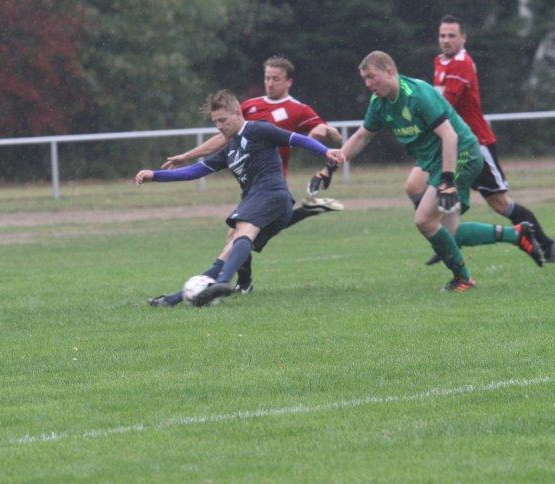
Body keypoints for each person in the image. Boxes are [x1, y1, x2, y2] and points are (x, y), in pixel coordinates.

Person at [333, 51, 544, 292]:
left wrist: (446, 180)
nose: (368, 83)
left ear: (389, 72)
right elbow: (362, 136)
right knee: (448, 232)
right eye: (365, 79)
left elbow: (450, 136)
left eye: (372, 77)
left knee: (424, 220)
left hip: (462, 154)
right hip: (436, 160)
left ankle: (463, 279)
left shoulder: (417, 94)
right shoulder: (378, 103)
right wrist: (336, 160)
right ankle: (516, 235)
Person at [137, 89, 345, 306]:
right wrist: (155, 176)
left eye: (223, 120)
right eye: (215, 122)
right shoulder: (230, 149)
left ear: (237, 113)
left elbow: (296, 139)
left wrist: (325, 151)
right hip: (270, 204)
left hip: (271, 194)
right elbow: (196, 171)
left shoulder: (258, 129)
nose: (219, 126)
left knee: (241, 234)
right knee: (230, 248)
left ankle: (223, 283)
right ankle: (173, 299)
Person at [405, 14, 555, 265]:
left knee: (500, 203)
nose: (446, 40)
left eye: (452, 36)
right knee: (414, 185)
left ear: (463, 38)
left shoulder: (462, 64)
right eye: (442, 35)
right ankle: (443, 237)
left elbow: (443, 108)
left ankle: (547, 246)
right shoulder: (440, 62)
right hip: (451, 145)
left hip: (476, 144)